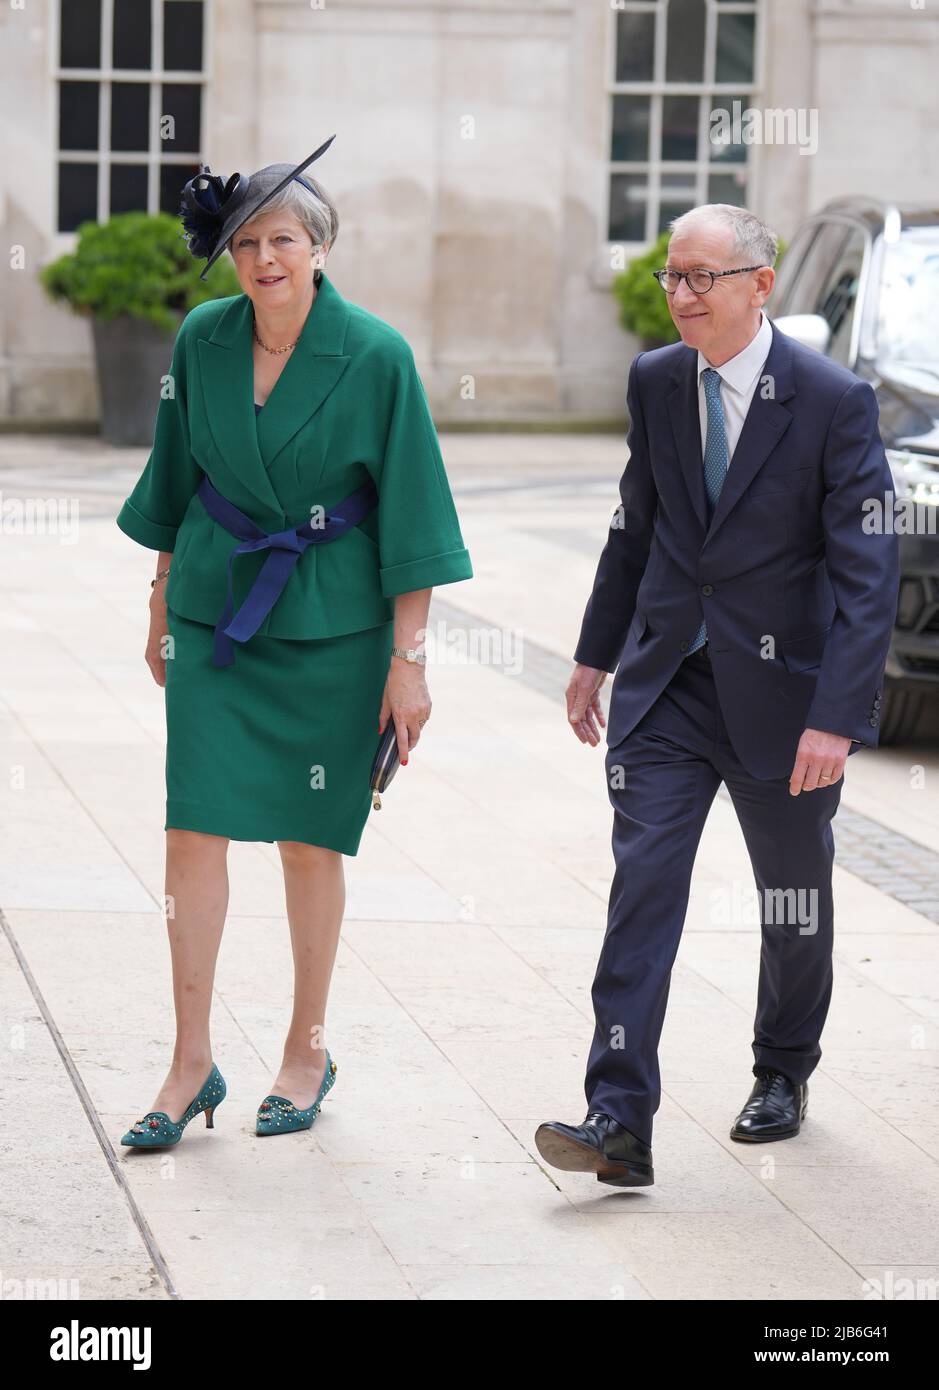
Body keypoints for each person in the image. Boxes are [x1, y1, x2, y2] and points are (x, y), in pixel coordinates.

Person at [116, 138, 472, 1148]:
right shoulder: (203, 341)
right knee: (195, 829)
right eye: (246, 243)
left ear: (319, 246)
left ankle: (304, 1049)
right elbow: (175, 477)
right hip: (215, 615)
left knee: (311, 843)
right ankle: (191, 1063)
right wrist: (157, 602)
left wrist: (410, 666)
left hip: (335, 624)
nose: (264, 258)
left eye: (283, 238)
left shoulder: (378, 355)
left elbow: (413, 516)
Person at [535, 203, 899, 1188]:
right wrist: (593, 653)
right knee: (641, 891)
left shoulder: (833, 401)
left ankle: (783, 1069)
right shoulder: (657, 380)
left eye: (702, 278)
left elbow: (868, 573)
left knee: (792, 897)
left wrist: (835, 714)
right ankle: (618, 1117)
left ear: (759, 285)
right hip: (669, 694)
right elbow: (635, 526)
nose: (682, 296)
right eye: (672, 277)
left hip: (785, 703)